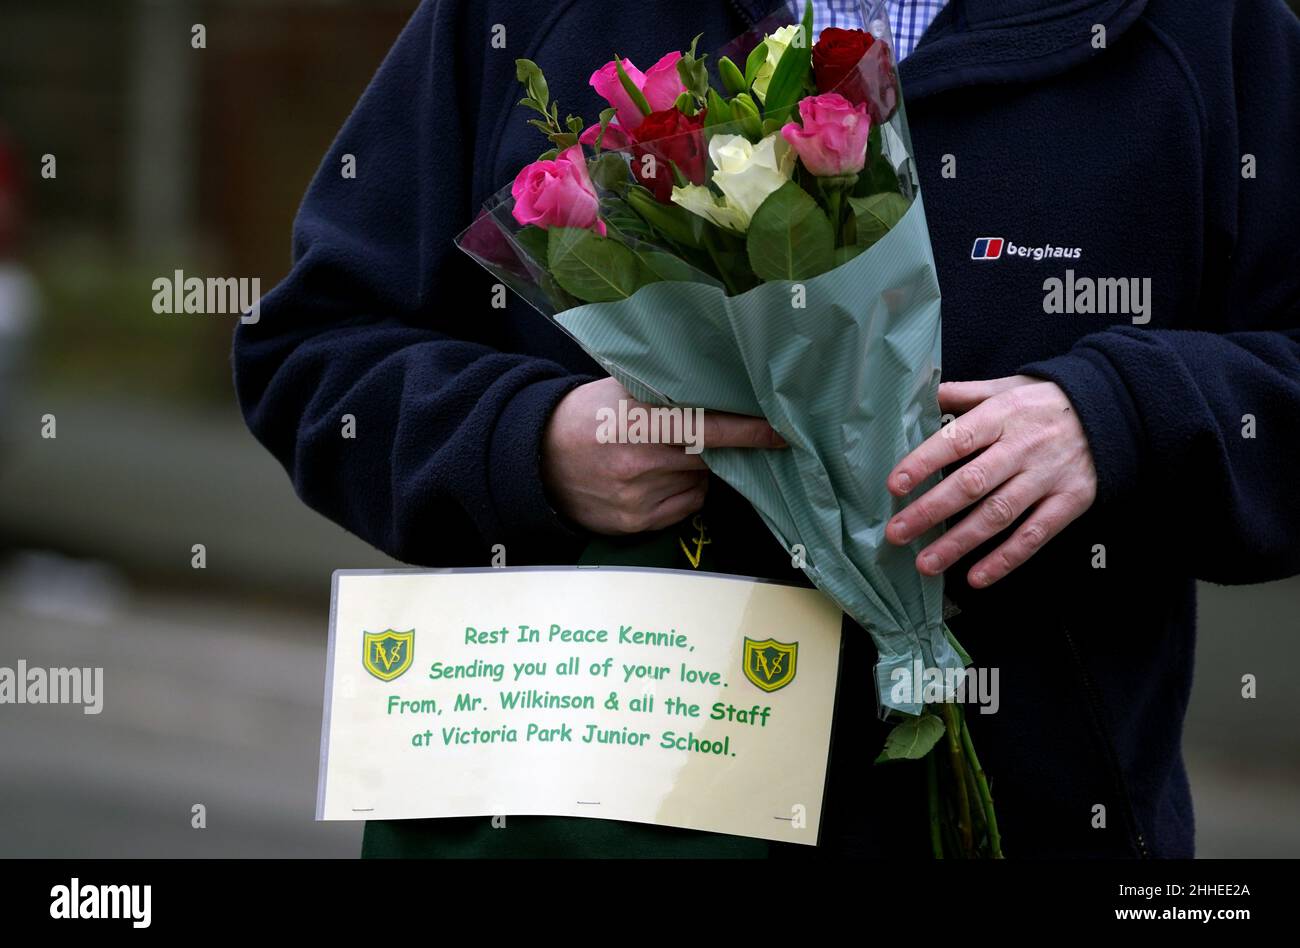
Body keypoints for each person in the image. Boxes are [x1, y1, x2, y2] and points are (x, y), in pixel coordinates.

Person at [233, 0, 1300, 857]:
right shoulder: (522, 17)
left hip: (1032, 817)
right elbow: (318, 352)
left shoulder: (1205, 30)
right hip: (598, 809)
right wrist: (531, 443)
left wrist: (1121, 420)